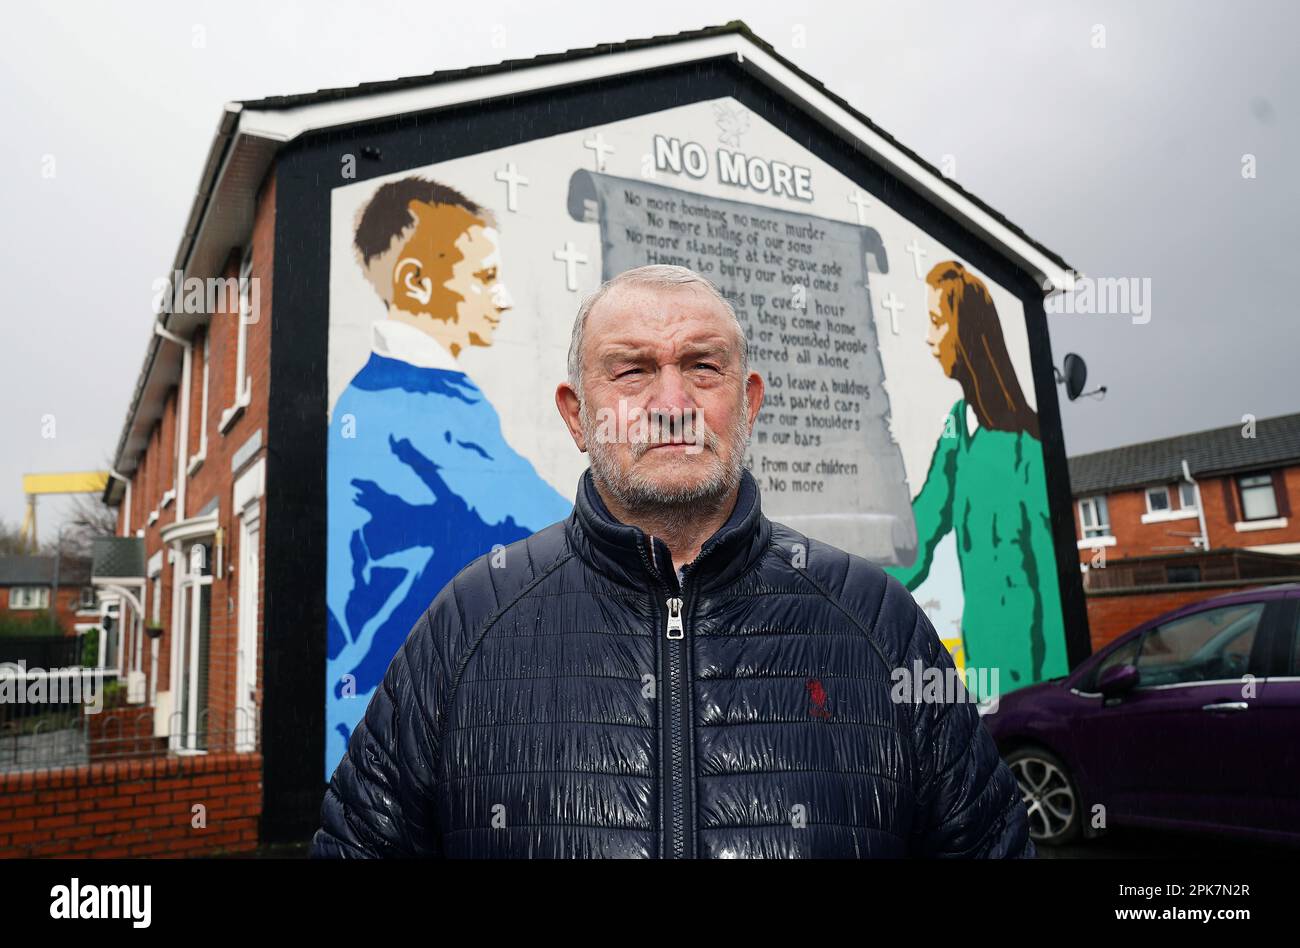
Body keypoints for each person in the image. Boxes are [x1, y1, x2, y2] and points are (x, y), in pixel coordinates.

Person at [312, 263, 1034, 858]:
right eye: (630, 371)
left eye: (703, 367)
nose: (671, 401)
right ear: (575, 415)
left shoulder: (881, 624)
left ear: (748, 404)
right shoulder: (464, 624)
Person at [325, 177, 571, 783]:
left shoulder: (381, 395)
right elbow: (560, 530)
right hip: (410, 743)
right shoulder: (424, 411)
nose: (505, 298)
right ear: (414, 284)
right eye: (485, 277)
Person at [884, 260, 1068, 700]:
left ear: (966, 332)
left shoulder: (1025, 442)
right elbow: (922, 531)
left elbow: (1046, 569)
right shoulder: (957, 426)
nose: (930, 339)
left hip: (1031, 668)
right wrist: (851, 592)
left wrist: (1056, 688)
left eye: (937, 323)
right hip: (982, 658)